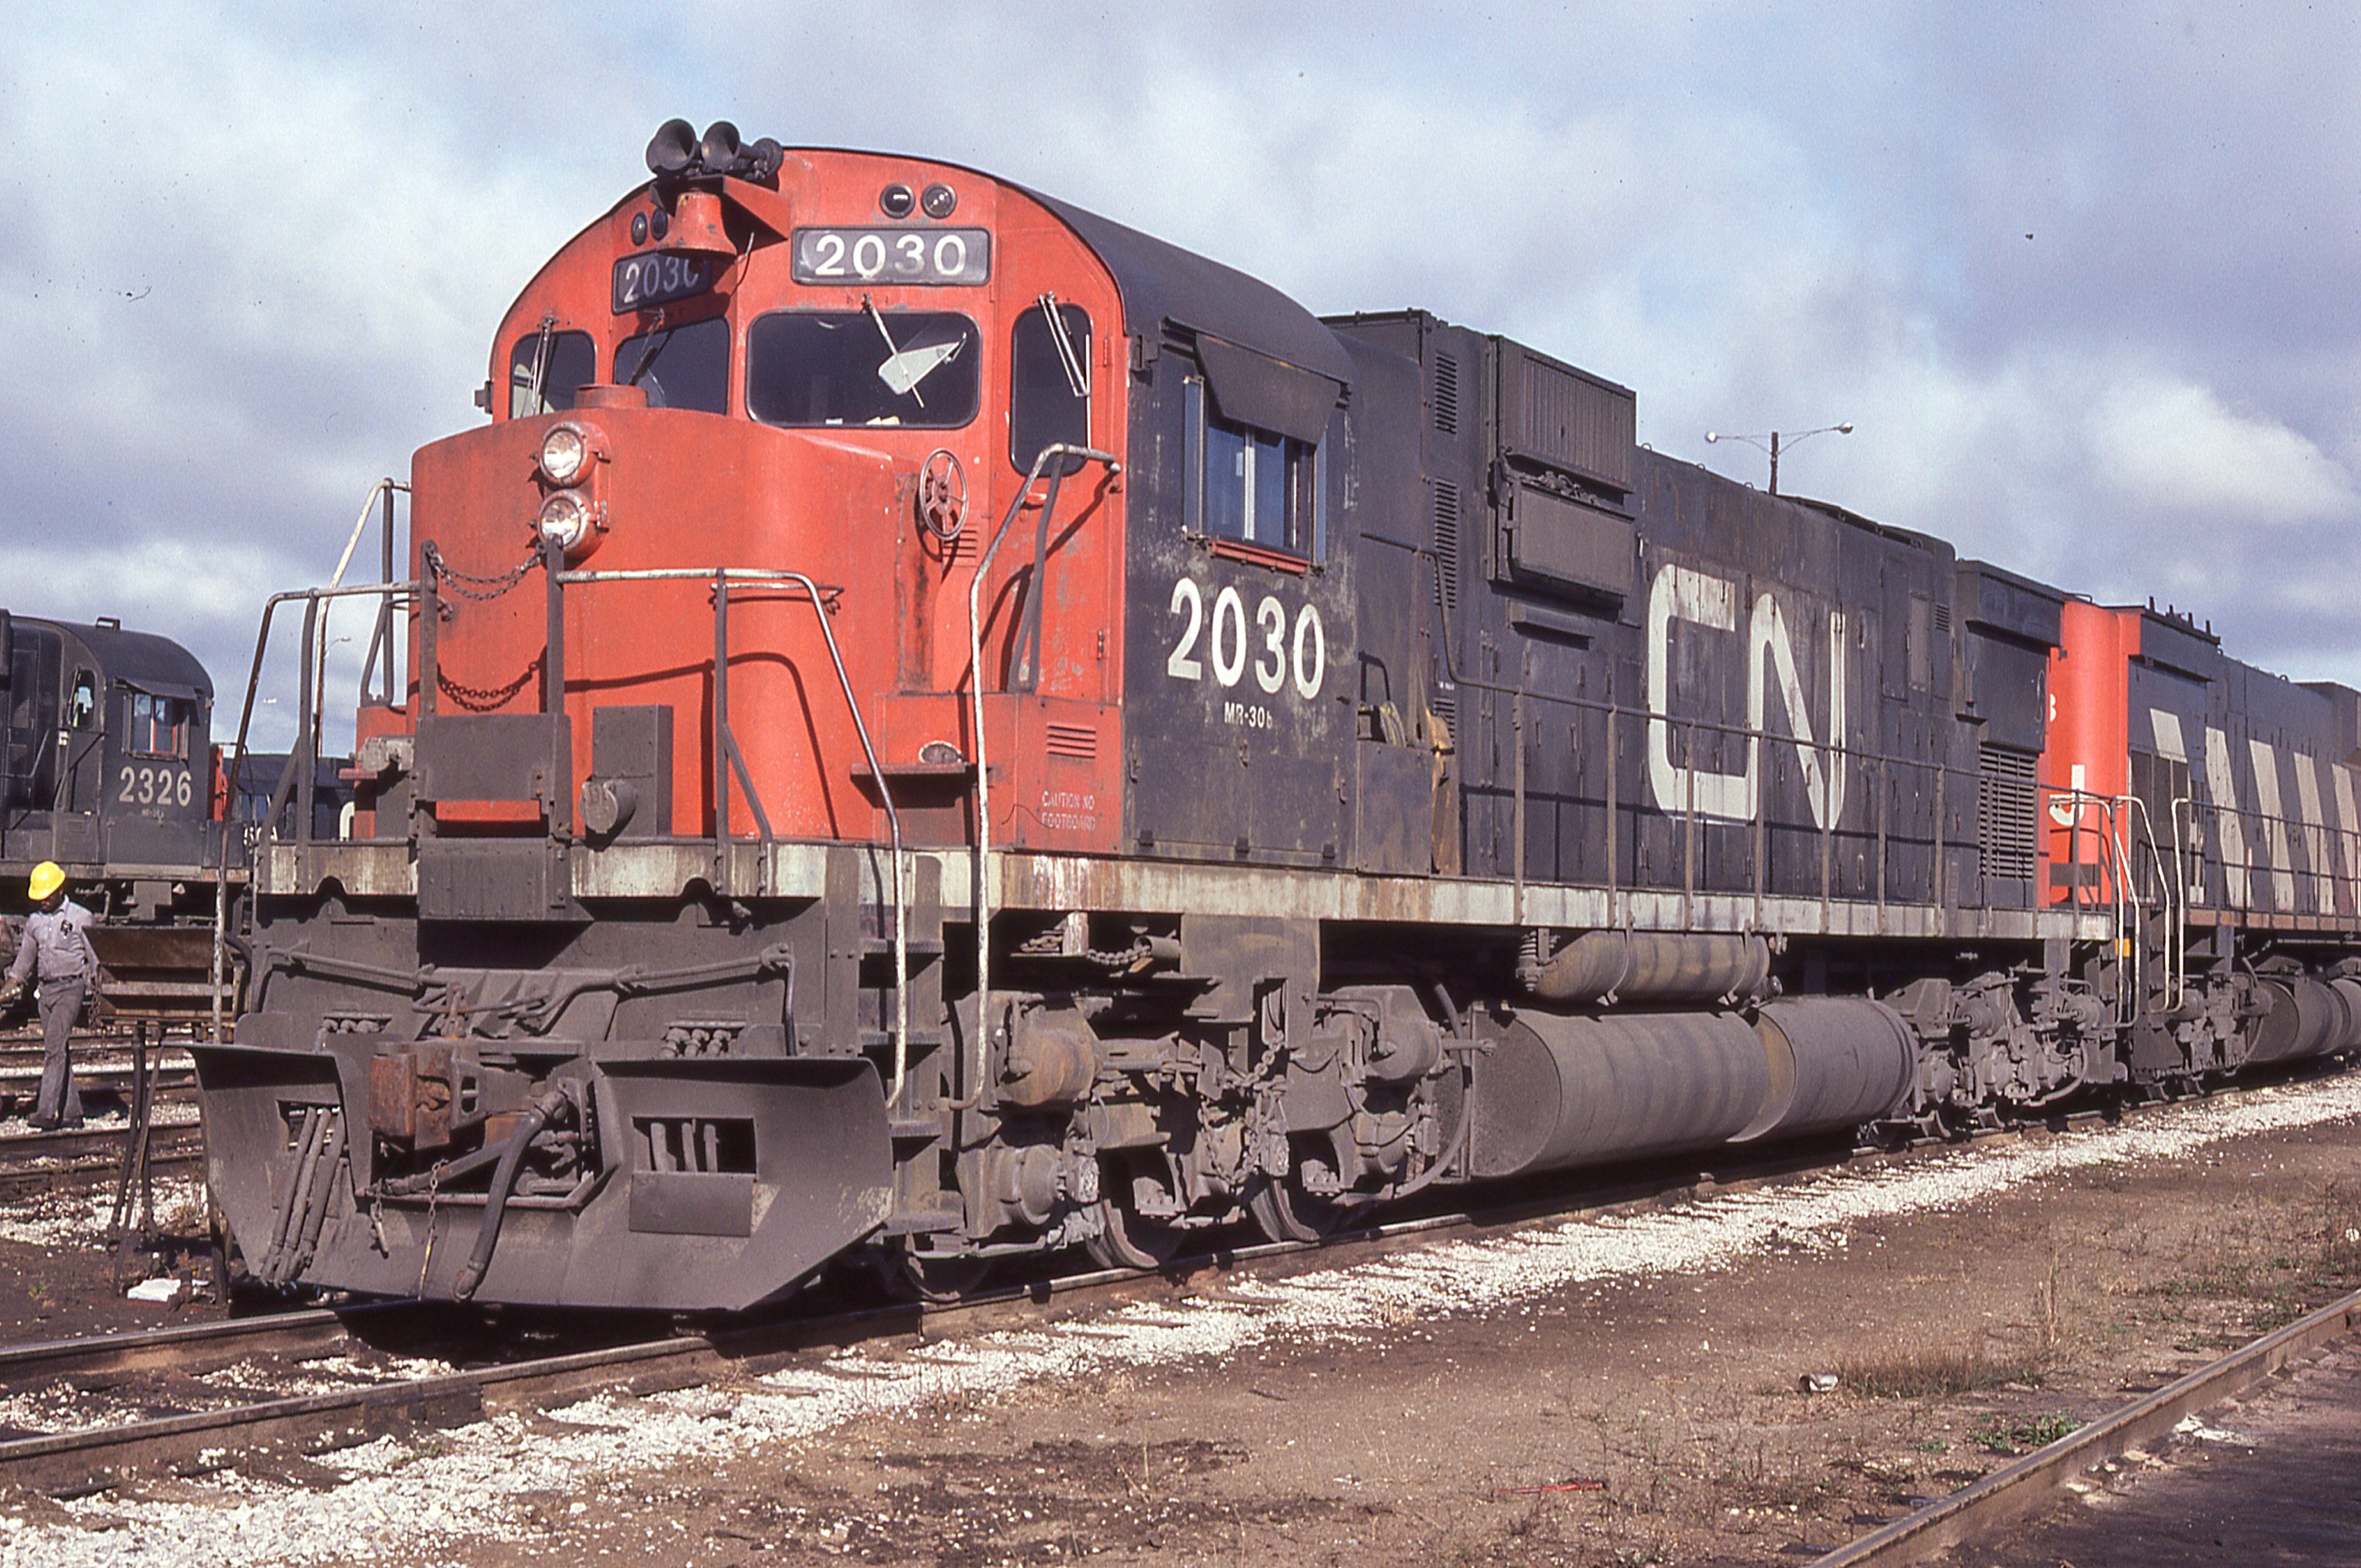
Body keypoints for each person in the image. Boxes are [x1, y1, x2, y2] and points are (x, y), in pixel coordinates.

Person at [0, 862, 96, 1129]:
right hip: (46, 991)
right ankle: (73, 1113)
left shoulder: (82, 918)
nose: (43, 901)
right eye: (39, 897)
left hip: (71, 988)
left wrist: (101, 987)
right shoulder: (34, 923)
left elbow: (95, 958)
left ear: (60, 890)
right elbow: (23, 964)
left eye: (47, 896)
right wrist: (7, 989)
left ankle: (47, 1112)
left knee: (53, 1047)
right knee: (59, 1048)